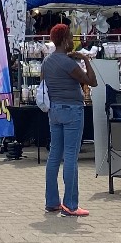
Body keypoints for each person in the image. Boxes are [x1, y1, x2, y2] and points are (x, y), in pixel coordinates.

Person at [41, 22, 95, 217]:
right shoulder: (68, 62)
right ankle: (70, 205)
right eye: (71, 37)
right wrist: (85, 59)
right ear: (64, 40)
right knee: (71, 156)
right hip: (72, 109)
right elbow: (92, 81)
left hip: (54, 109)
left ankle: (52, 201)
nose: (73, 40)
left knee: (54, 155)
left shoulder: (47, 61)